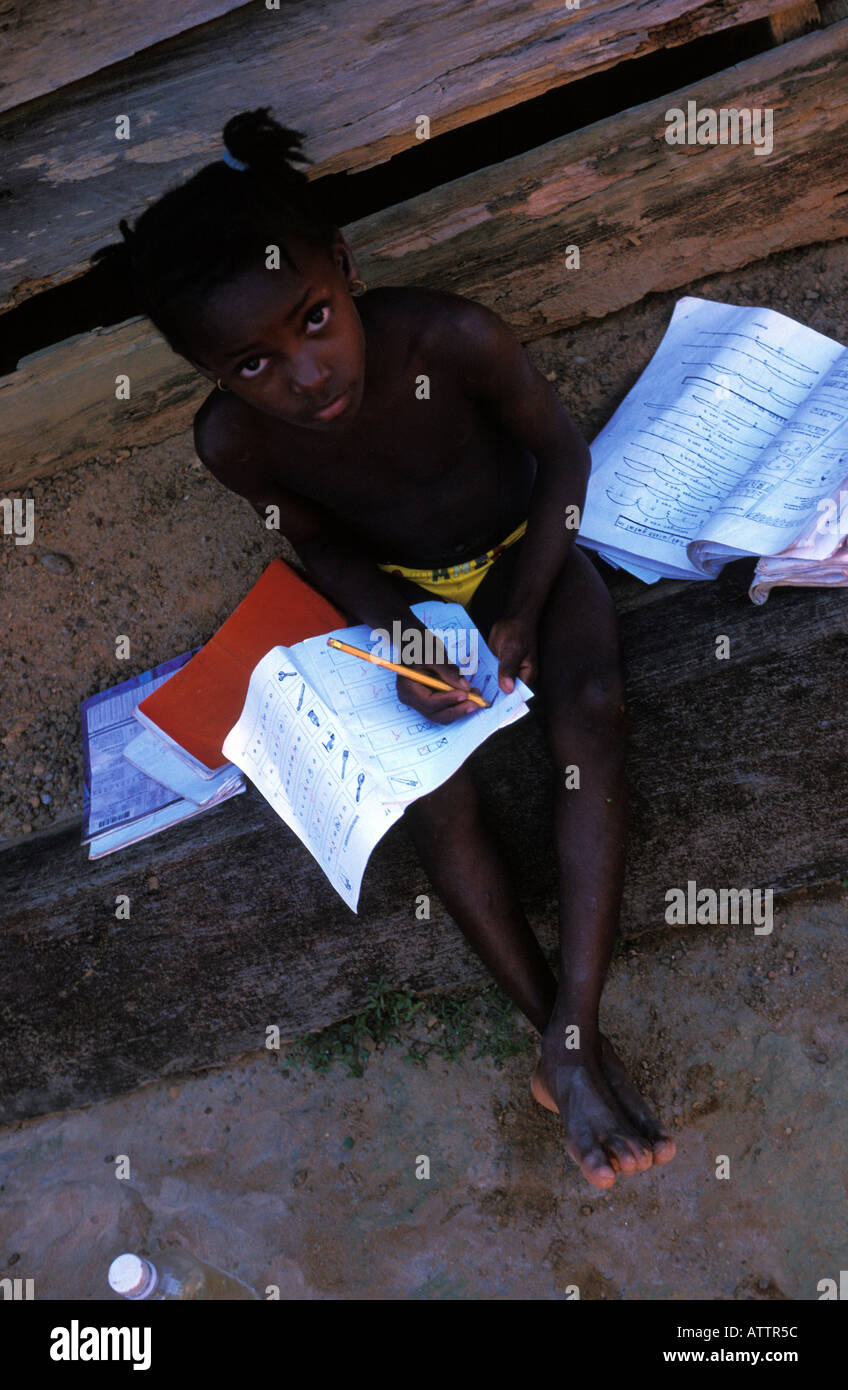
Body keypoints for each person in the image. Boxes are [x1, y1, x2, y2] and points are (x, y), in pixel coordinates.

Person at [93, 107, 675, 1190]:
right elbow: (312, 540)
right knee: (428, 790)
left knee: (588, 705)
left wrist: (521, 602)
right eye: (254, 364)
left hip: (525, 554)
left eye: (314, 319)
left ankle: (571, 1030)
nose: (305, 375)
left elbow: (558, 460)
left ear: (347, 273)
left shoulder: (448, 338)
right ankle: (559, 1045)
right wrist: (404, 637)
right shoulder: (234, 442)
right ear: (212, 376)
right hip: (400, 603)